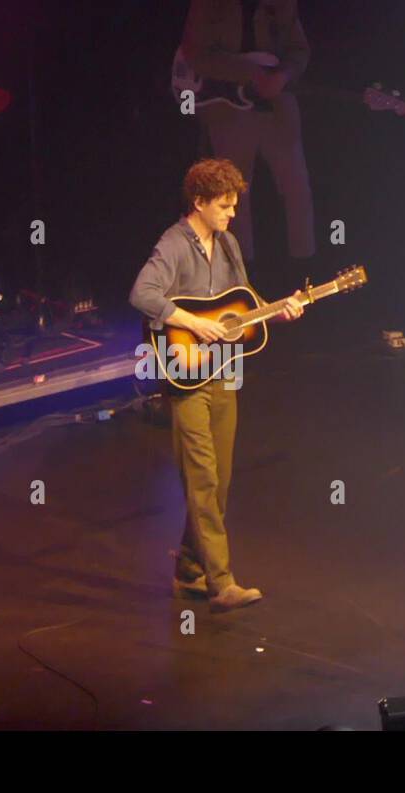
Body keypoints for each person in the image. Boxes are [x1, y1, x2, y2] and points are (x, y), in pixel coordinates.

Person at [130, 158, 304, 612]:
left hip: (225, 369)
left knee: (220, 480)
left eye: (234, 206)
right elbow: (142, 293)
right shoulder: (173, 243)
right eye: (224, 206)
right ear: (199, 202)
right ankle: (220, 582)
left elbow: (243, 301)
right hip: (186, 374)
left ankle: (189, 570)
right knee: (201, 478)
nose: (231, 214)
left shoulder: (226, 244)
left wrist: (279, 307)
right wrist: (190, 322)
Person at [181, 0, 315, 267]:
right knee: (233, 198)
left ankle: (308, 272)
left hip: (277, 108)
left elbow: (299, 51)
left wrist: (283, 76)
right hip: (227, 109)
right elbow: (194, 52)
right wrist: (248, 71)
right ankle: (240, 280)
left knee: (297, 188)